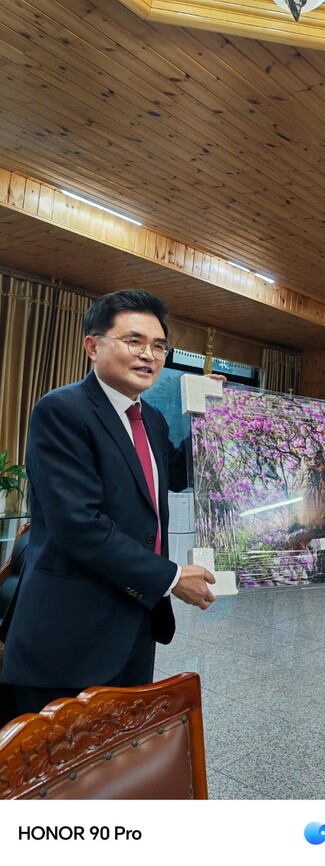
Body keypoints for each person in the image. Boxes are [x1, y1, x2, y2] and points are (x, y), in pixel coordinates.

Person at [0, 289, 217, 718]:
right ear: (92, 345)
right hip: (69, 630)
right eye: (134, 341)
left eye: (159, 346)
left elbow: (176, 473)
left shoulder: (150, 417)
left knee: (114, 759)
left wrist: (215, 417)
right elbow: (80, 526)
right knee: (55, 773)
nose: (149, 355)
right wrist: (171, 577)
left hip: (136, 619)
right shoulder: (62, 411)